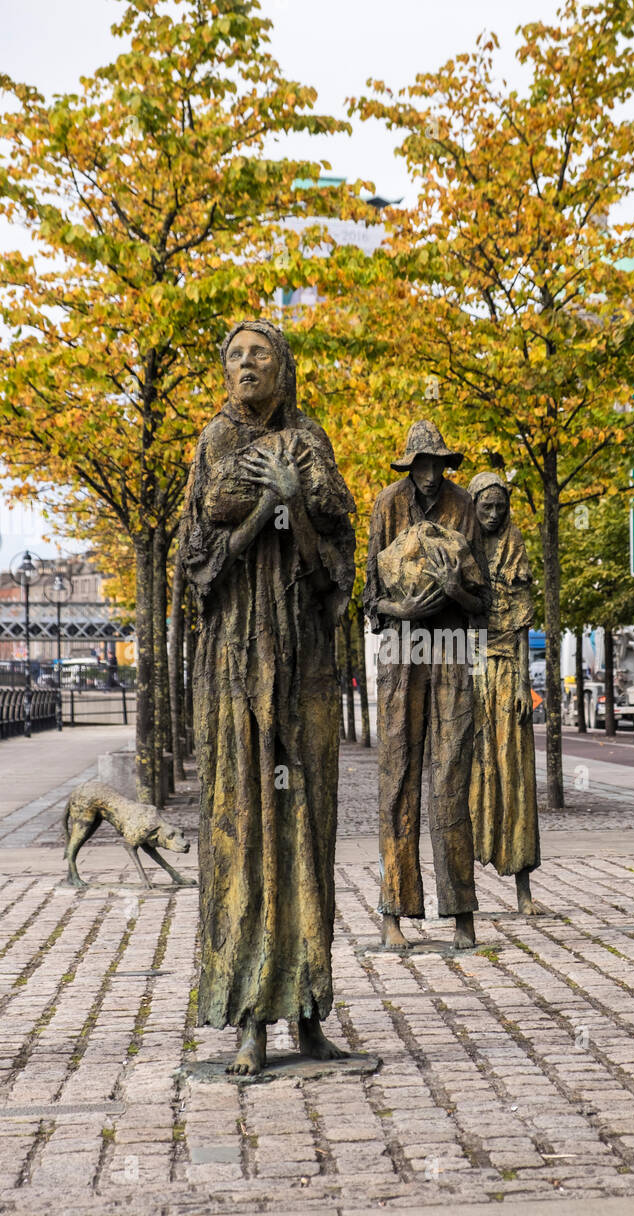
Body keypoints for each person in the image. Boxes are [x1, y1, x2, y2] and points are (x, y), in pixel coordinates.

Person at [180, 319, 355, 1074]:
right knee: (245, 825)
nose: (245, 363)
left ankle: (309, 1010)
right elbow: (199, 561)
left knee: (306, 826)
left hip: (305, 660)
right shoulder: (213, 443)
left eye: (260, 354)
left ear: (285, 368)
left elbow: (336, 562)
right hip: (236, 664)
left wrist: (302, 518)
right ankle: (251, 1016)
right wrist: (264, 508)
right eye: (234, 354)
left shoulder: (310, 437)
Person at [364, 420, 490, 952]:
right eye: (422, 465)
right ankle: (394, 910)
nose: (432, 475)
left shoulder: (465, 507)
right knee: (398, 776)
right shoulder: (386, 505)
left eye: (438, 464)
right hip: (400, 651)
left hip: (455, 652)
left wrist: (455, 591)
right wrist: (404, 608)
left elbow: (485, 605)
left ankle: (461, 912)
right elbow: (370, 601)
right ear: (409, 467)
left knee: (451, 778)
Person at [467, 469, 541, 913]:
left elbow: (522, 627)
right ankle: (464, 887)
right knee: (473, 775)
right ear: (473, 506)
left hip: (507, 675)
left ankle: (523, 889)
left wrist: (524, 684)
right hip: (470, 670)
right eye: (486, 507)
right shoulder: (462, 546)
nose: (494, 515)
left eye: (500, 506)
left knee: (516, 776)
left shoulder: (515, 548)